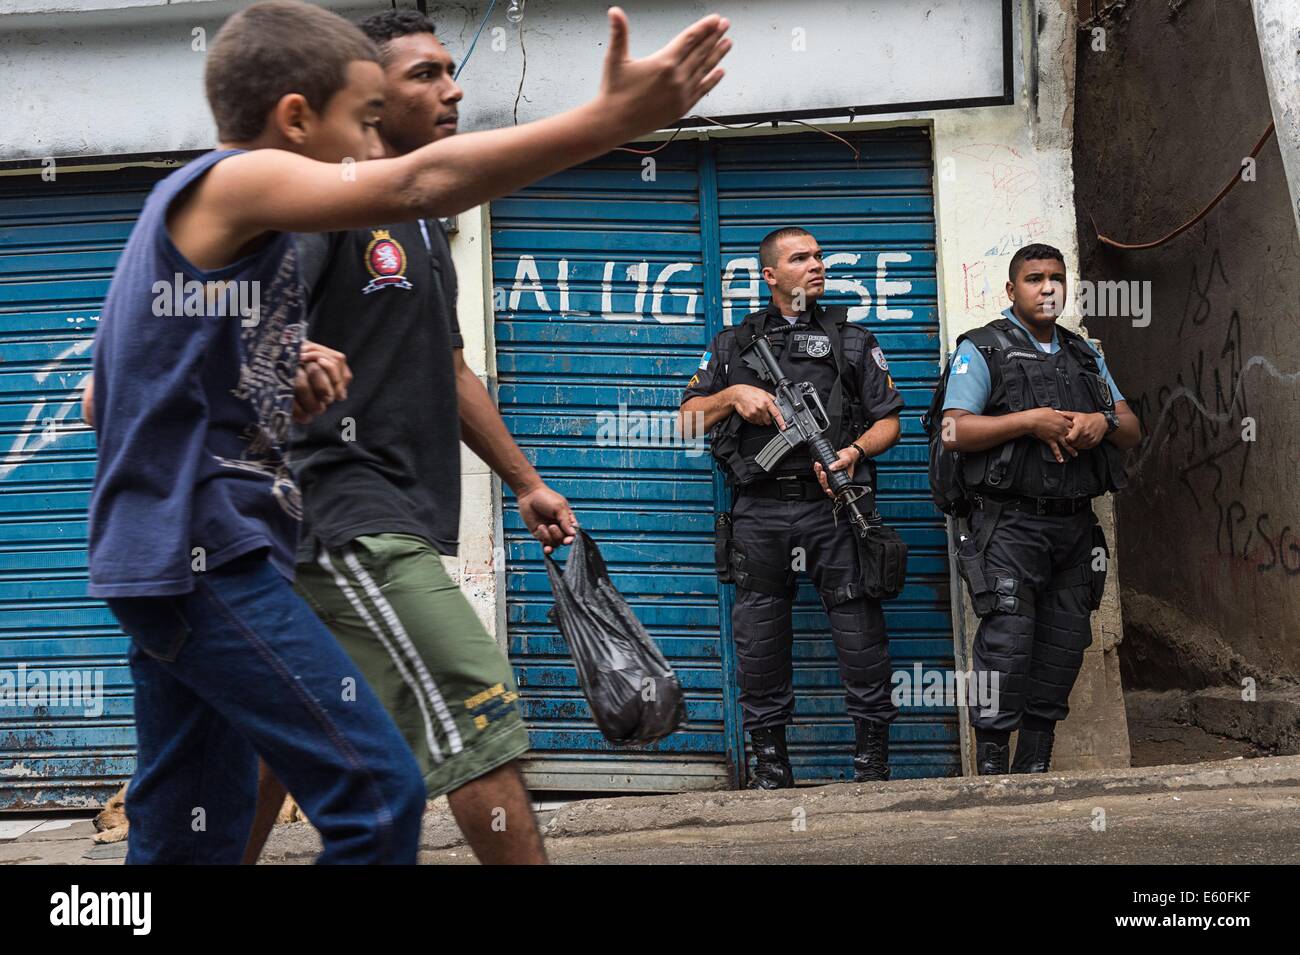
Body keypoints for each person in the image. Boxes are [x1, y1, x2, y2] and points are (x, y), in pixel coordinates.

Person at [86, 0, 730, 863]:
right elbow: (420, 181)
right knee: (379, 794)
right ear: (296, 119)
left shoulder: (219, 234)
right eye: (363, 120)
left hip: (178, 559)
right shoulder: (235, 180)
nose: (376, 139)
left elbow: (105, 393)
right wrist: (608, 121)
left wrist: (275, 361)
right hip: (204, 553)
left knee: (183, 830)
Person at [241, 9, 576, 866]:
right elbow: (240, 340)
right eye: (425, 73)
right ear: (367, 94)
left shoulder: (423, 218)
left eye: (448, 71)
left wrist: (525, 479)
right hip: (344, 512)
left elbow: (453, 367)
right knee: (477, 703)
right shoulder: (319, 204)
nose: (453, 86)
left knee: (275, 747)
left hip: (379, 513)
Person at [679, 227, 904, 788]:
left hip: (834, 509)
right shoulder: (733, 345)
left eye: (820, 255)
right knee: (759, 637)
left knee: (860, 634)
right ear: (770, 275)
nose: (816, 265)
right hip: (759, 510)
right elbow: (684, 419)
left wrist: (851, 453)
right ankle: (770, 767)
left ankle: (872, 761)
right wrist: (733, 396)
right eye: (800, 258)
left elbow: (892, 422)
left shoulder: (851, 340)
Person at [938, 242, 1141, 775]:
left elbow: (1132, 428)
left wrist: (1104, 423)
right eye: (1034, 279)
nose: (1047, 287)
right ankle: (990, 777)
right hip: (1008, 527)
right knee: (1006, 647)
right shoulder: (982, 349)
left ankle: (1034, 773)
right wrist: (1028, 421)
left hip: (1073, 527)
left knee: (1062, 647)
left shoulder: (1084, 355)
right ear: (1012, 289)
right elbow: (954, 429)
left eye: (1056, 278)